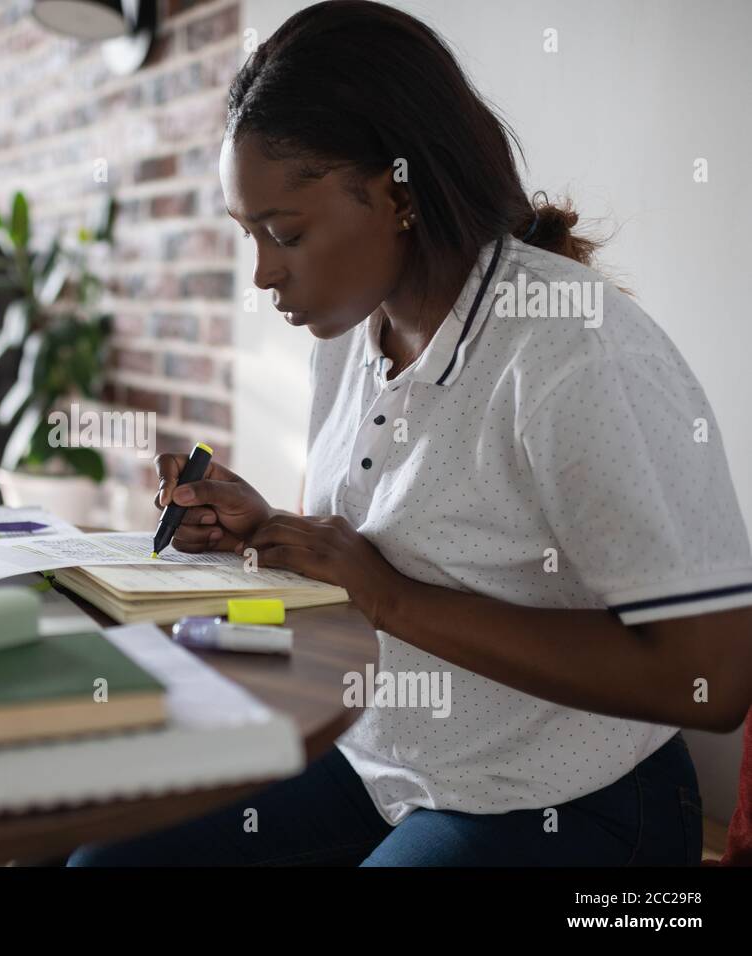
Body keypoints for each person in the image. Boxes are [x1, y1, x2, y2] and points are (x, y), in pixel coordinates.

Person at [68, 0, 752, 866]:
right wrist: (268, 535)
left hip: (565, 803)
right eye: (249, 235)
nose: (262, 273)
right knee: (104, 860)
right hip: (375, 761)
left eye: (285, 233)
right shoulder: (353, 334)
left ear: (397, 192)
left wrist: (390, 598)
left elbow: (714, 677)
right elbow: (383, 558)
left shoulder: (571, 353)